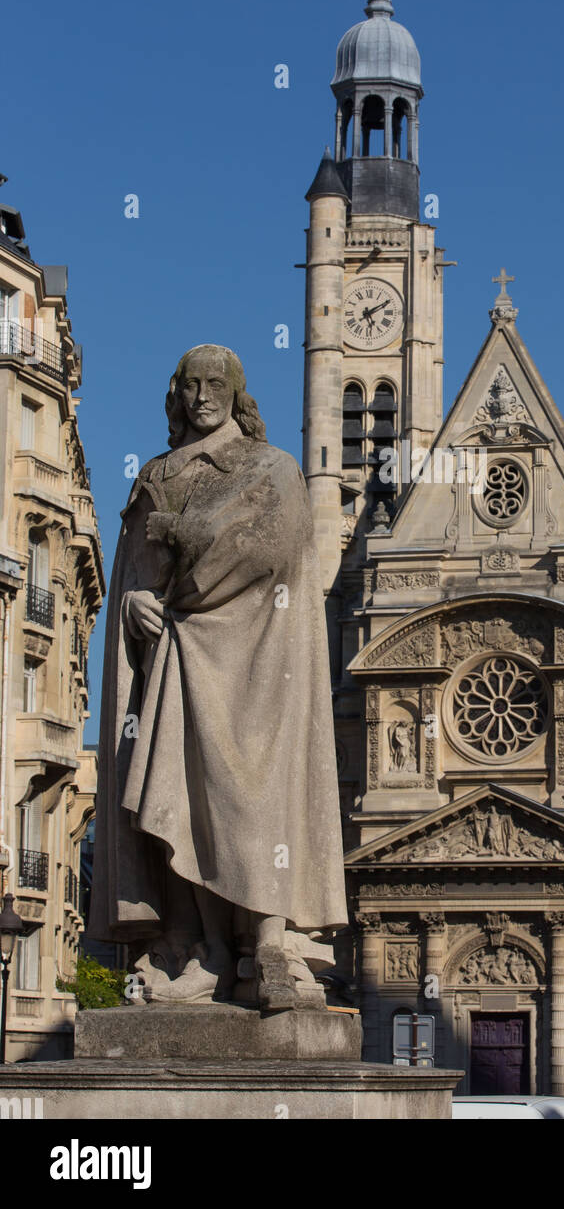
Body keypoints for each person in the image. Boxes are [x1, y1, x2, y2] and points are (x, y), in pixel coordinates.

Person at [88, 345, 347, 1008]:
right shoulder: (153, 475)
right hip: (174, 662)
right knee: (178, 800)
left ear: (236, 394)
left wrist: (188, 578)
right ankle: (199, 947)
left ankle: (267, 945)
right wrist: (135, 602)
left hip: (256, 659)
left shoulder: (272, 468)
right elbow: (135, 571)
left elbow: (271, 550)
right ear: (175, 394)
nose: (201, 397)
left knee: (255, 797)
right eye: (190, 386)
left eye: (214, 385)